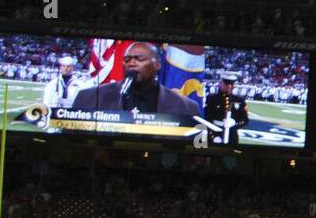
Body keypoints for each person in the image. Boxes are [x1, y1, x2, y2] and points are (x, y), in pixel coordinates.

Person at [70, 42, 201, 116]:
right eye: (127, 59)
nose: (131, 63)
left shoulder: (186, 107)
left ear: (157, 65)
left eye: (139, 59)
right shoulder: (89, 98)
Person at [204, 70, 250, 145]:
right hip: (215, 134)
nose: (229, 87)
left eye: (232, 84)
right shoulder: (212, 99)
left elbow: (245, 120)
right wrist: (213, 136)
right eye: (226, 84)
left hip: (232, 136)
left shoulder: (239, 100)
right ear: (221, 84)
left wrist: (234, 123)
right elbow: (207, 119)